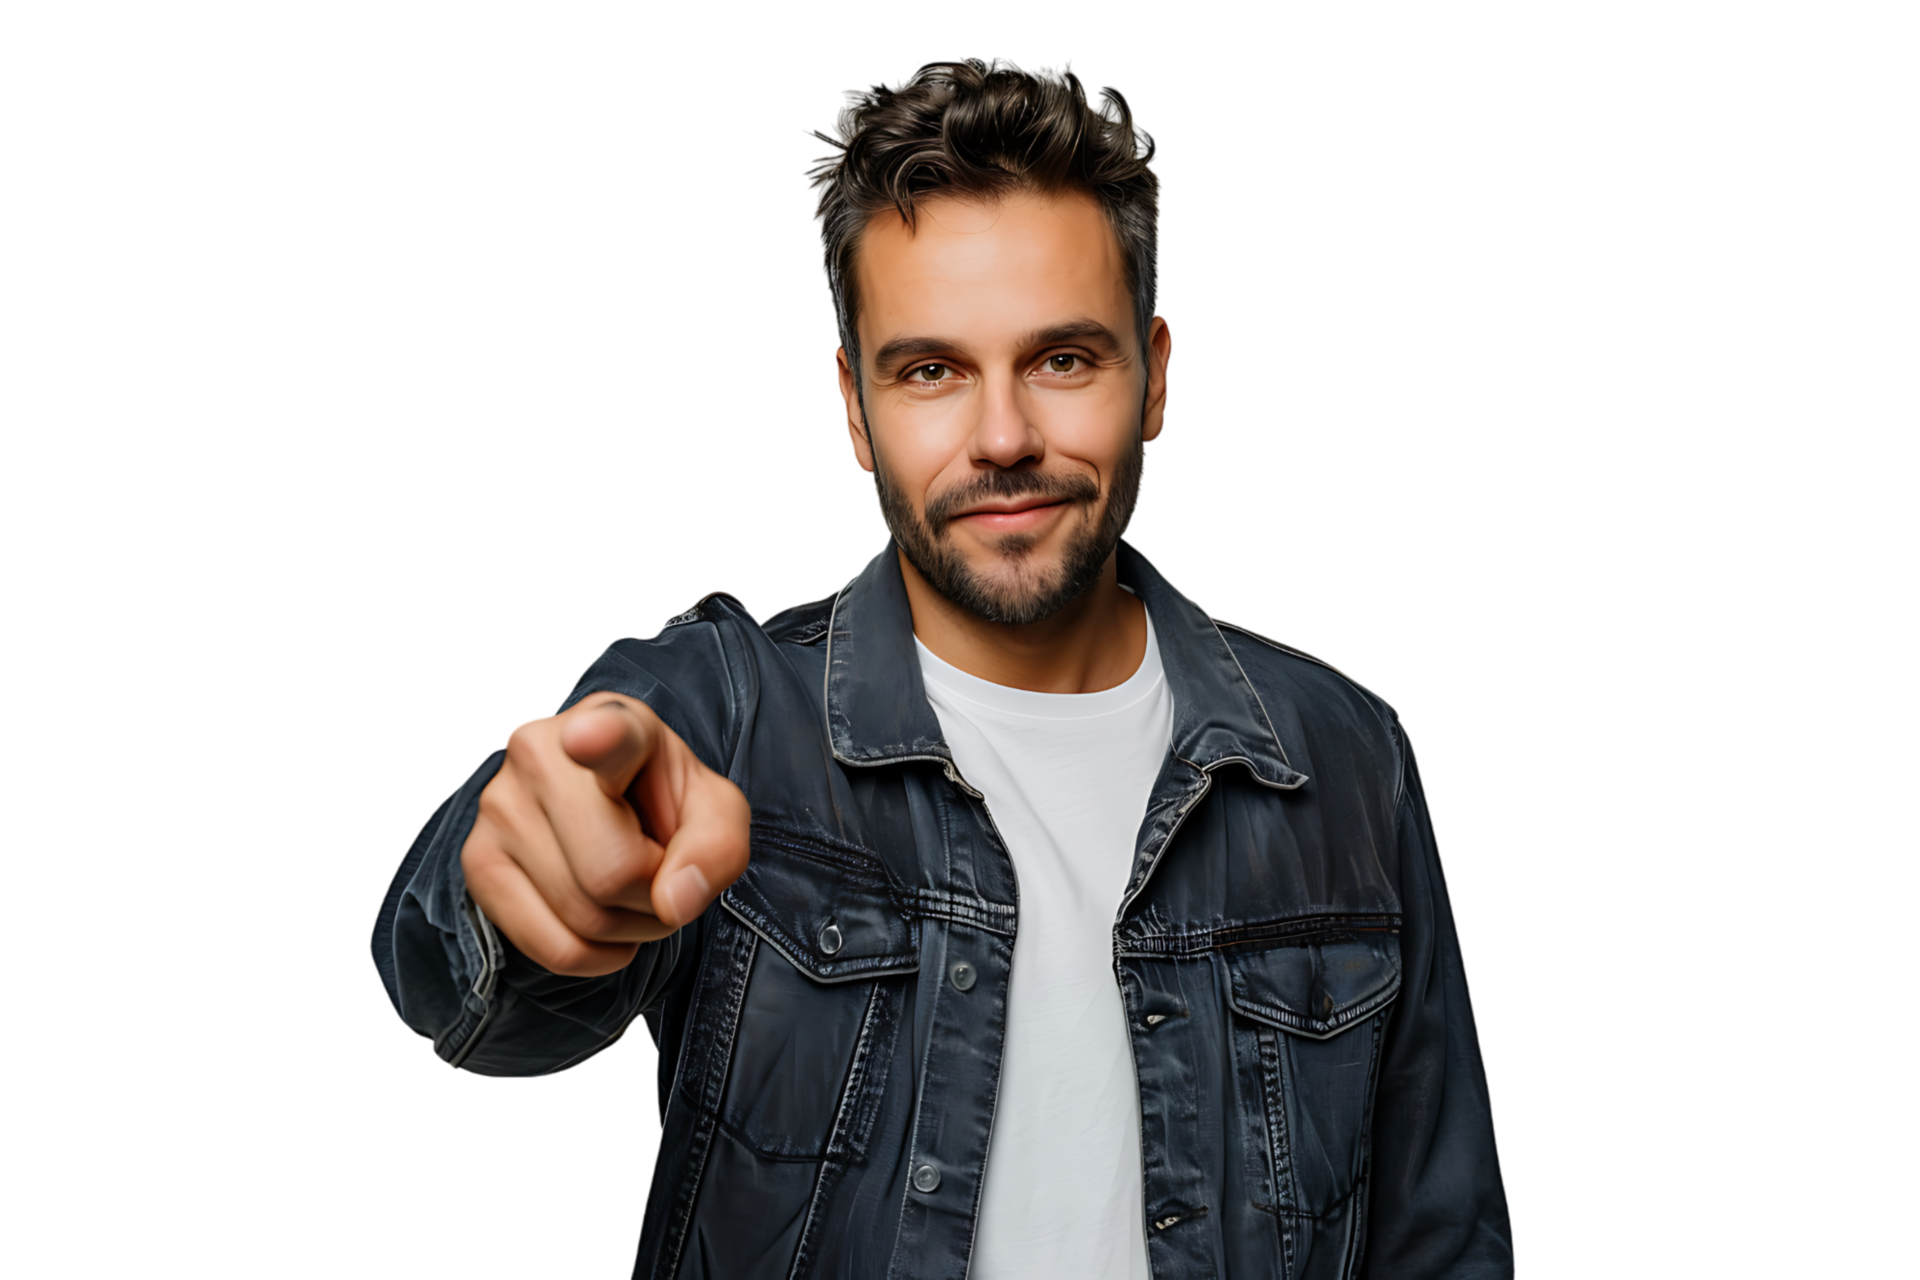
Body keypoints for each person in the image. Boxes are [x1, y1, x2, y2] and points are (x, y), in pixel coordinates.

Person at [370, 55, 1513, 1279]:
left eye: (1064, 358)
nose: (1006, 436)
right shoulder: (732, 713)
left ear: (1158, 375)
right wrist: (525, 903)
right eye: (931, 370)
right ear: (855, 409)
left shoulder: (1344, 752)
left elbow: (1439, 1242)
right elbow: (468, 991)